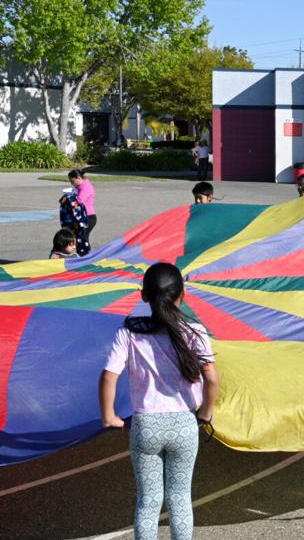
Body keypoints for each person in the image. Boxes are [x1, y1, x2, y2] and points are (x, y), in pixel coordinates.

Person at [98, 263, 220, 540]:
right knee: (180, 498)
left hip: (146, 425)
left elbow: (108, 376)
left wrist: (109, 416)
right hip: (184, 424)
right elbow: (212, 379)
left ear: (143, 295)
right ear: (183, 294)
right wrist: (206, 413)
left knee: (148, 502)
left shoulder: (129, 333)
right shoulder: (195, 331)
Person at [68, 170, 97, 255]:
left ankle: (86, 257)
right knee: (80, 237)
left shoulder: (86, 187)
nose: (71, 183)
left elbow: (79, 201)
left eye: (72, 181)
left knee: (82, 238)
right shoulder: (80, 186)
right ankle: (84, 256)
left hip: (88, 217)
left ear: (79, 178)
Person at [58, 187, 90, 256]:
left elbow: (75, 214)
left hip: (73, 226)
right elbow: (77, 214)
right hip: (73, 226)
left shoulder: (69, 200)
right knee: (78, 242)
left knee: (78, 242)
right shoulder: (72, 199)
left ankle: (80, 255)